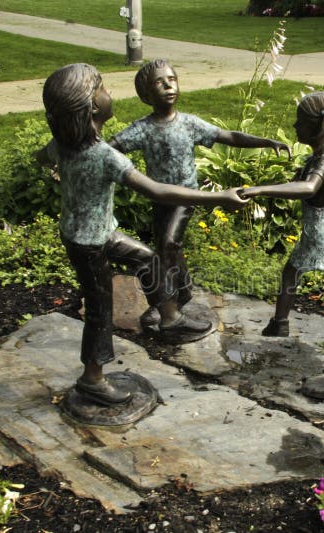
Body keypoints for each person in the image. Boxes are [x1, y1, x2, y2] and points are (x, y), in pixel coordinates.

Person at [40, 63, 247, 406]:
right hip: (89, 245)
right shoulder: (104, 156)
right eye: (102, 88)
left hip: (95, 234)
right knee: (99, 309)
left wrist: (53, 171)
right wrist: (219, 197)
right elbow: (159, 191)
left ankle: (170, 318)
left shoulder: (61, 144)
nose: (108, 94)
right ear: (92, 107)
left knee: (148, 259)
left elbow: (42, 157)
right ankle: (92, 379)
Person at [108, 59, 290, 338]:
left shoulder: (189, 124)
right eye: (160, 82)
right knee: (167, 249)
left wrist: (266, 142)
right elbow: (112, 148)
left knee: (169, 243)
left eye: (172, 78)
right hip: (160, 200)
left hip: (187, 197)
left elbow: (228, 136)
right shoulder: (142, 128)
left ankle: (175, 301)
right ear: (145, 95)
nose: (169, 85)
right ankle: (180, 294)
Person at [240, 91, 324, 381]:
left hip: (322, 233)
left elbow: (308, 189)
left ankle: (280, 322)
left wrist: (260, 189)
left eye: (299, 122)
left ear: (318, 127)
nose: (295, 127)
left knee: (294, 274)